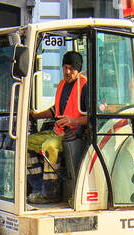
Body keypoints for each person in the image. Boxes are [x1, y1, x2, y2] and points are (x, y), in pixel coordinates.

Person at [29, 50, 89, 204]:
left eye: (71, 68)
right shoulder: (63, 85)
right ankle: (37, 187)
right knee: (26, 142)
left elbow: (91, 117)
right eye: (65, 67)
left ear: (78, 69)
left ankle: (51, 193)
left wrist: (73, 121)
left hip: (75, 136)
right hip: (58, 131)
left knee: (49, 146)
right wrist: (35, 115)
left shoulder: (85, 86)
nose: (67, 71)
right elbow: (56, 110)